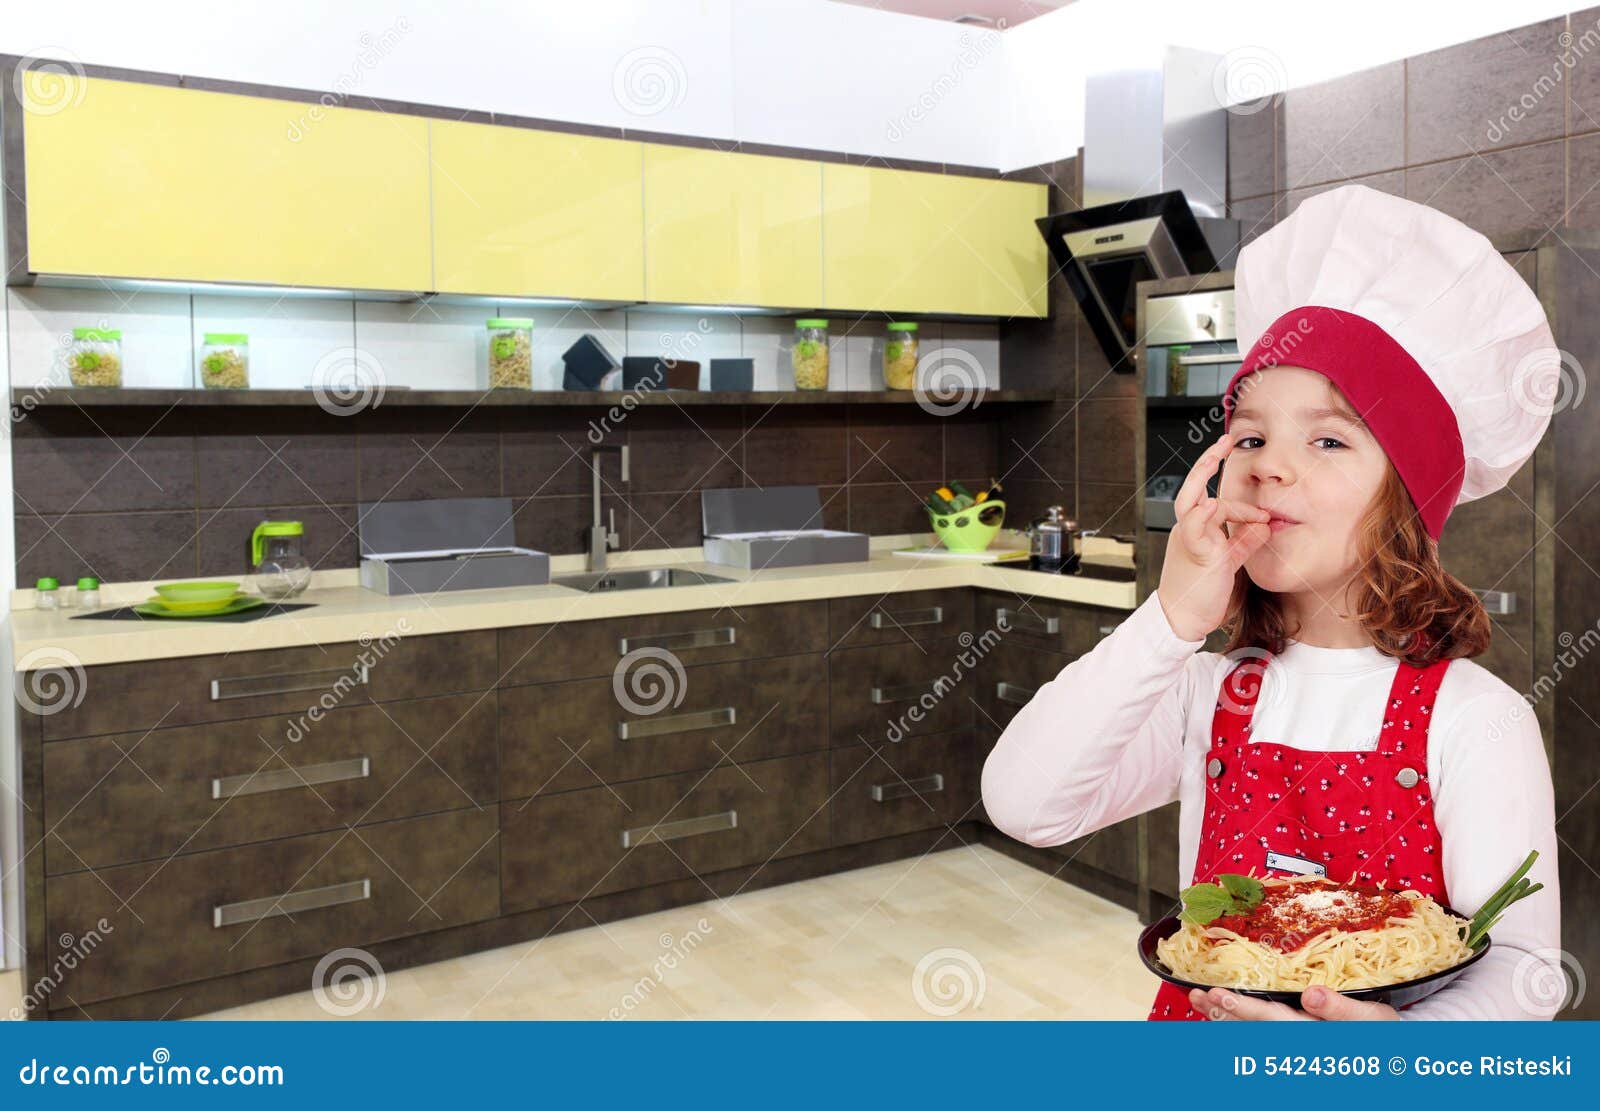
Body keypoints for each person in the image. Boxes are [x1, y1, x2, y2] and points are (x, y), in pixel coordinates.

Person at [981, 184, 1563, 1020]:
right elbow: (1024, 803)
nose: (1267, 465)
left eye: (1327, 439)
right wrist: (1173, 617)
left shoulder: (1476, 718)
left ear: (1409, 498)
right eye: (1249, 435)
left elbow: (1522, 971)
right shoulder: (1208, 688)